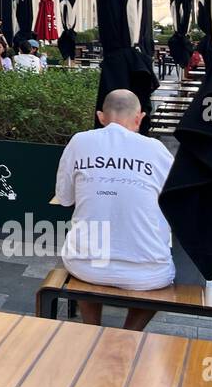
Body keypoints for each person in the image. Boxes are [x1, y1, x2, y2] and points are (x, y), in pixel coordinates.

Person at [55, 89, 175, 331]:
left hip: (84, 264)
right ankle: (129, 333)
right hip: (149, 272)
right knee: (158, 275)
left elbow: (65, 199)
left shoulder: (79, 141)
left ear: (100, 117)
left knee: (86, 258)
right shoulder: (156, 149)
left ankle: (93, 329)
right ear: (140, 118)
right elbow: (174, 202)